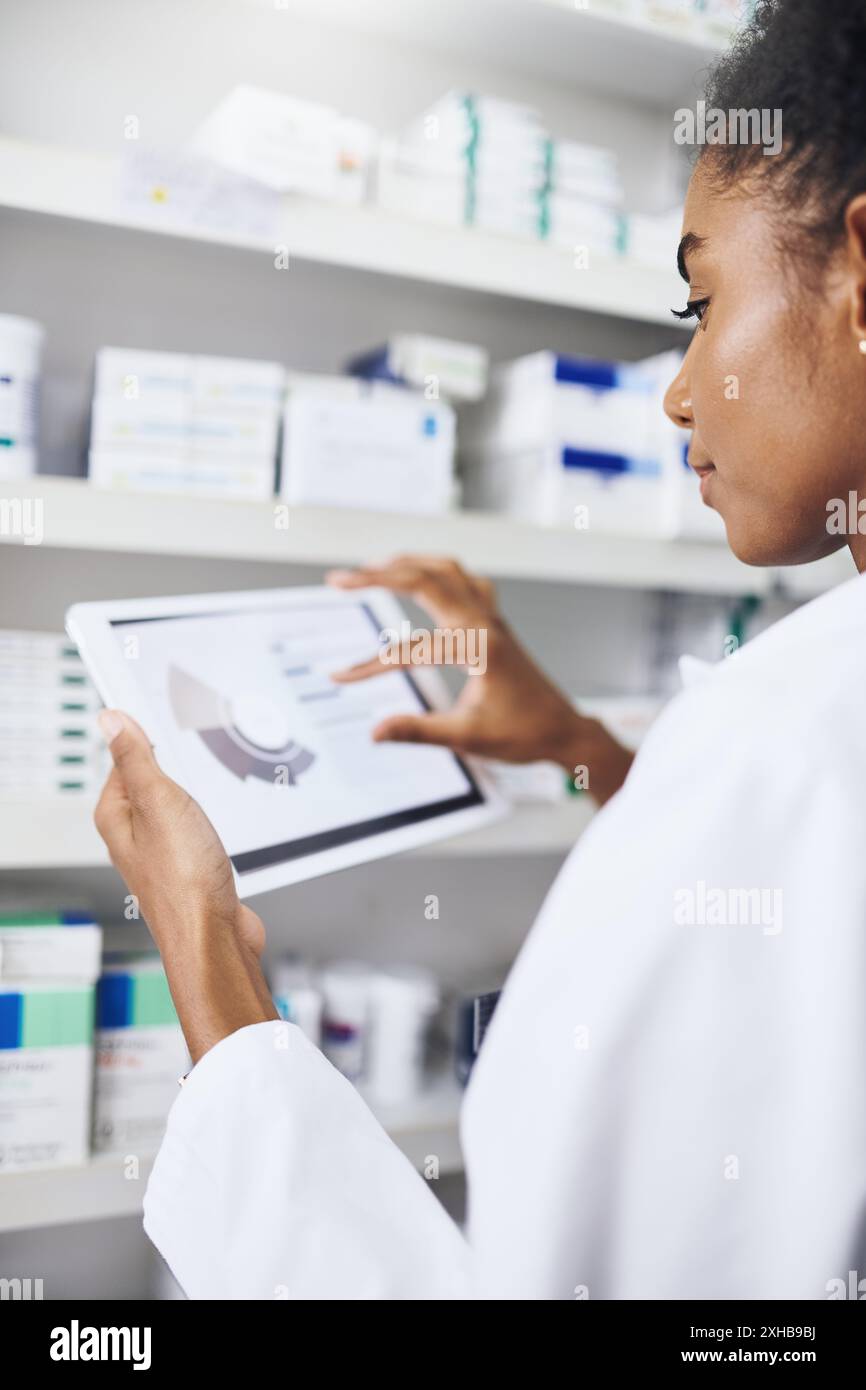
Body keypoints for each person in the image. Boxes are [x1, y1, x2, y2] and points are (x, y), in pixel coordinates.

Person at [94, 0, 866, 1298]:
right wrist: (579, 749)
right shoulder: (785, 734)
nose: (677, 391)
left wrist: (208, 954)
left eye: (699, 298)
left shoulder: (778, 730)